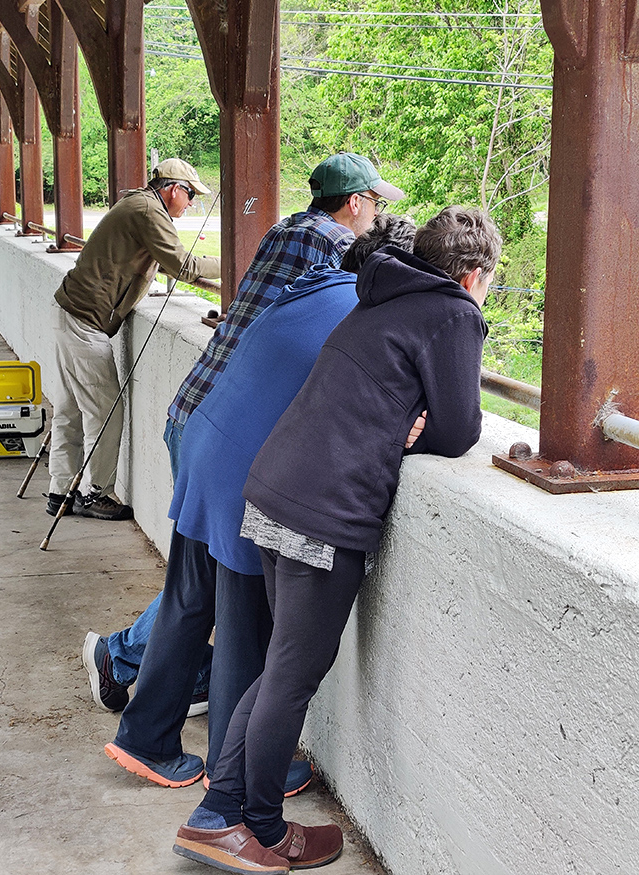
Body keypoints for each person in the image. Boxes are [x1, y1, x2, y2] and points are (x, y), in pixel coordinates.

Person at [174, 206, 502, 874]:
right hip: (322, 512)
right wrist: (422, 426)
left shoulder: (383, 291)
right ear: (474, 275)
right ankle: (258, 829)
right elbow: (461, 427)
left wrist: (414, 417)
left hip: (272, 486)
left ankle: (219, 814)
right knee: (292, 676)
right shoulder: (453, 313)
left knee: (277, 667)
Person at [102, 216, 418, 800]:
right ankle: (239, 771)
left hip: (202, 439)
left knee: (187, 597)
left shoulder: (311, 282)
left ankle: (144, 738)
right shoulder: (370, 318)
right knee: (247, 624)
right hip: (244, 474)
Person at [83, 153, 404, 710]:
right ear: (355, 202)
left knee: (207, 566)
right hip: (232, 423)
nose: (375, 216)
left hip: (201, 407)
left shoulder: (286, 228)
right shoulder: (334, 245)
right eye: (374, 204)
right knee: (222, 575)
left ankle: (178, 675)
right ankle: (126, 655)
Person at [47, 158, 220, 522]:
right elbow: (185, 267)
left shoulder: (139, 203)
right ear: (174, 189)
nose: (190, 204)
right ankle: (97, 493)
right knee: (105, 412)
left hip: (70, 312)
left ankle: (60, 492)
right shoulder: (148, 211)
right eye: (190, 195)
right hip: (84, 322)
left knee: (69, 411)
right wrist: (235, 263)